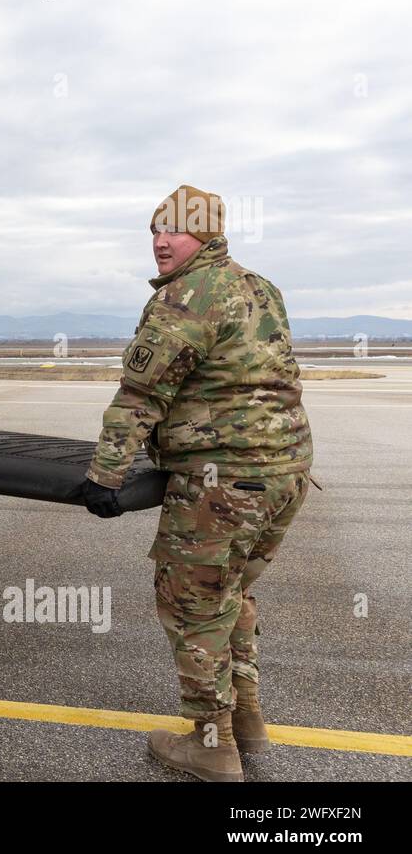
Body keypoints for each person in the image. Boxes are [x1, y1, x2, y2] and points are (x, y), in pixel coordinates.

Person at [81, 184, 312, 783]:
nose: (160, 241)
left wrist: (106, 475)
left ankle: (211, 745)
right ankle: (246, 722)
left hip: (223, 480)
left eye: (174, 230)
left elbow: (140, 394)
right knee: (231, 591)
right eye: (155, 230)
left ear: (206, 235)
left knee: (193, 608)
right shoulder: (263, 288)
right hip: (285, 473)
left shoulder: (184, 297)